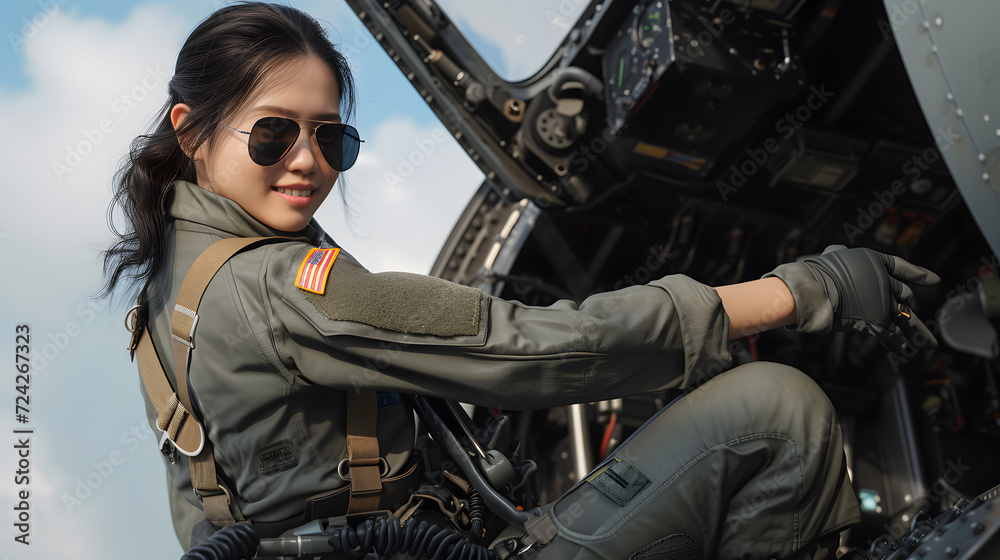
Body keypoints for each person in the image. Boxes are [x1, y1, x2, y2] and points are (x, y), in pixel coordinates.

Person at [100, 3, 940, 559]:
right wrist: (808, 290)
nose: (307, 163)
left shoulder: (171, 298)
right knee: (776, 412)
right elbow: (538, 351)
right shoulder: (278, 286)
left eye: (332, 140)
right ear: (194, 130)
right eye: (274, 133)